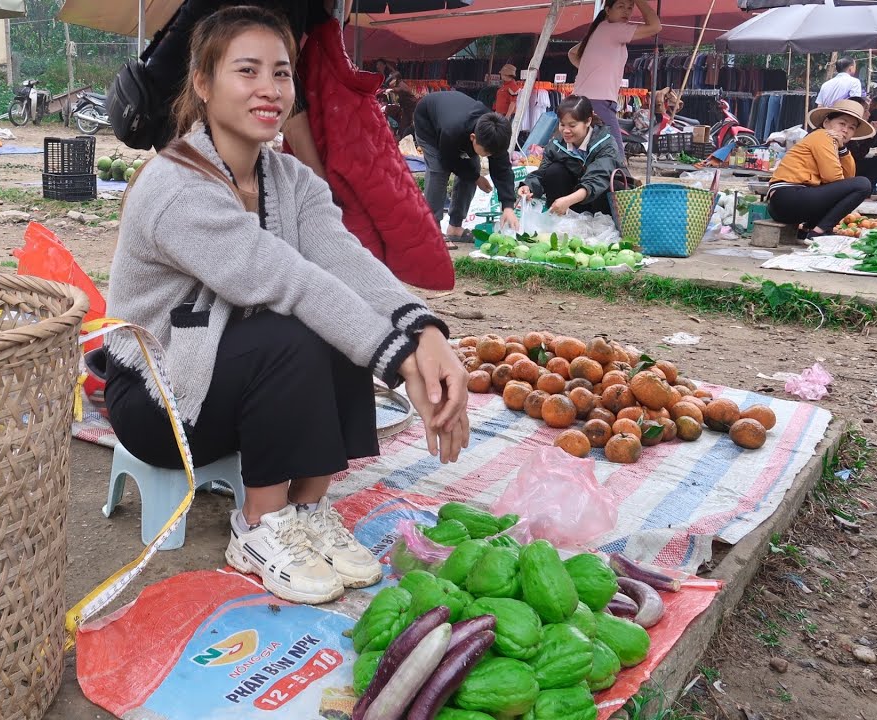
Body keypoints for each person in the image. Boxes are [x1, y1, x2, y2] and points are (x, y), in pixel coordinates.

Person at [103, 6, 470, 606]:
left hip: (227, 375)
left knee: (339, 317)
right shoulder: (175, 187)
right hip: (159, 396)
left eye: (281, 73)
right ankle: (259, 524)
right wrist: (400, 359)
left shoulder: (290, 180)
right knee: (296, 327)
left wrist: (425, 334)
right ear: (202, 82)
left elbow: (346, 261)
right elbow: (287, 280)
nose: (269, 90)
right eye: (247, 71)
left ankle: (306, 510)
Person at [134, 0, 344, 178]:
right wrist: (321, 184)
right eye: (248, 70)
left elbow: (325, 18)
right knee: (201, 177)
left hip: (196, 91)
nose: (271, 91)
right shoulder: (254, 31)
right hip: (174, 93)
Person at [413, 91, 520, 246]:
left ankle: (455, 227)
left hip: (454, 119)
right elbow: (448, 159)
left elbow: (503, 170)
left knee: (473, 168)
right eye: (487, 153)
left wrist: (508, 206)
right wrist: (476, 178)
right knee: (439, 171)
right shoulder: (452, 131)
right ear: (473, 138)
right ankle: (431, 230)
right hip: (428, 122)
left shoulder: (495, 133)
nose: (489, 156)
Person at [767, 99, 874, 240]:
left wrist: (843, 150)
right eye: (842, 123)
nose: (845, 130)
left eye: (852, 127)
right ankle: (819, 231)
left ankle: (809, 228)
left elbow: (847, 179)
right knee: (863, 184)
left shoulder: (834, 144)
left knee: (855, 186)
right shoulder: (823, 136)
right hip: (787, 197)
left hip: (785, 203)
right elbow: (834, 178)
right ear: (826, 123)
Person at [568, 0, 661, 162]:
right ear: (608, 10)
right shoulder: (613, 29)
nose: (626, 11)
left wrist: (592, 70)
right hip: (597, 102)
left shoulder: (601, 29)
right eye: (621, 6)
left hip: (584, 100)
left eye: (630, 7)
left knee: (588, 154)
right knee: (616, 157)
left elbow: (573, 53)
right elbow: (655, 26)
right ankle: (621, 183)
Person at [517, 95, 626, 217]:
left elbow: (597, 179)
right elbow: (541, 173)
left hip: (602, 202)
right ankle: (559, 220)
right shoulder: (556, 145)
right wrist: (528, 187)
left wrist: (568, 200)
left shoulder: (606, 143)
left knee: (610, 186)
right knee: (554, 171)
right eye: (562, 125)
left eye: (572, 125)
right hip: (572, 202)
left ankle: (599, 227)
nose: (566, 130)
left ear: (588, 121)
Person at [852, 108, 877, 194]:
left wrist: (874, 149)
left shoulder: (865, 128)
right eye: (866, 110)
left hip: (854, 160)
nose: (868, 114)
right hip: (851, 165)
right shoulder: (860, 129)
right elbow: (858, 154)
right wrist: (872, 134)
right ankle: (868, 192)